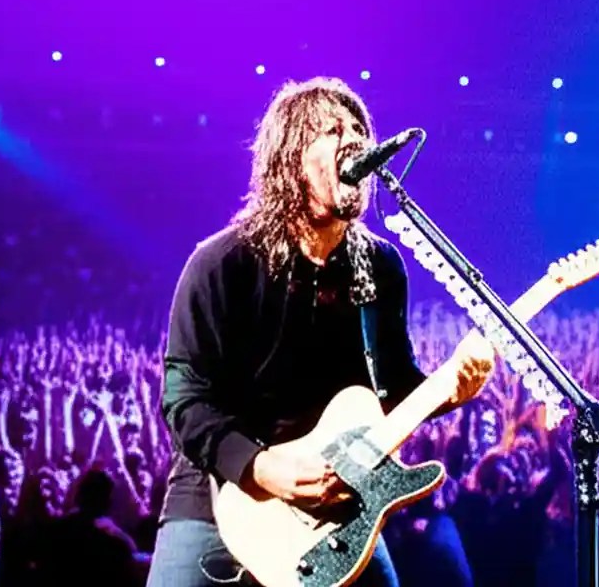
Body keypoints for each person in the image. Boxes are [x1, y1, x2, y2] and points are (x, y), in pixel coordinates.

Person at [146, 77, 495, 587]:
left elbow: (393, 387)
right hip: (222, 499)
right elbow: (185, 399)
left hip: (334, 507)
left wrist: (453, 389)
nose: (353, 137)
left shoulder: (379, 266)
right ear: (290, 159)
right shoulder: (222, 263)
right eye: (332, 129)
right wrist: (260, 467)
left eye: (359, 127)